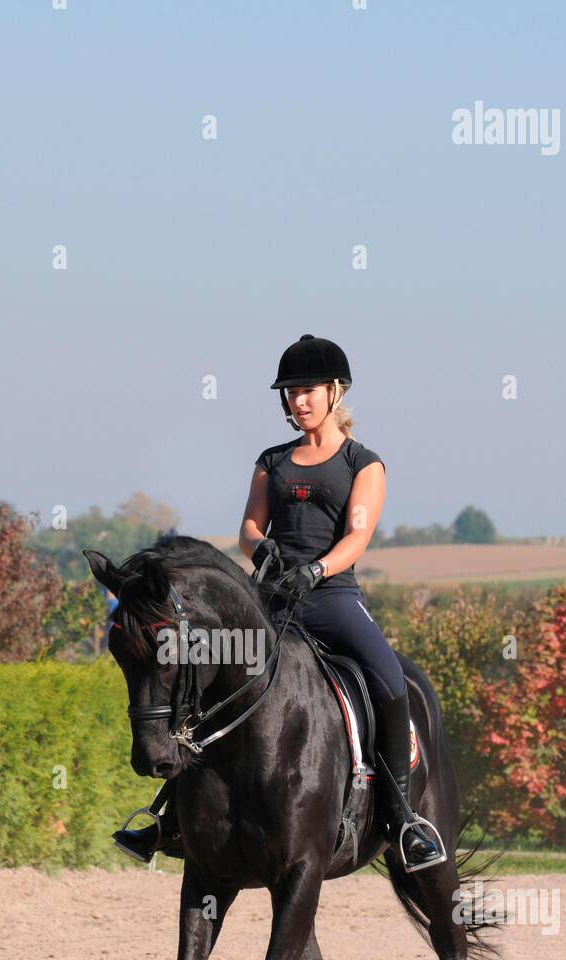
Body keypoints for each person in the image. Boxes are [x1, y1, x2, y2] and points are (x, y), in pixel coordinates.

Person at [113, 333, 445, 872]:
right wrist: (260, 546)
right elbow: (249, 526)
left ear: (336, 391)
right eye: (290, 392)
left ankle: (403, 817)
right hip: (268, 600)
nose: (298, 400)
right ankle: (169, 815)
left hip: (331, 599)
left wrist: (317, 569)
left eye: (308, 390)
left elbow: (358, 536)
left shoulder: (363, 463)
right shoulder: (273, 461)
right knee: (204, 675)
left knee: (389, 679)